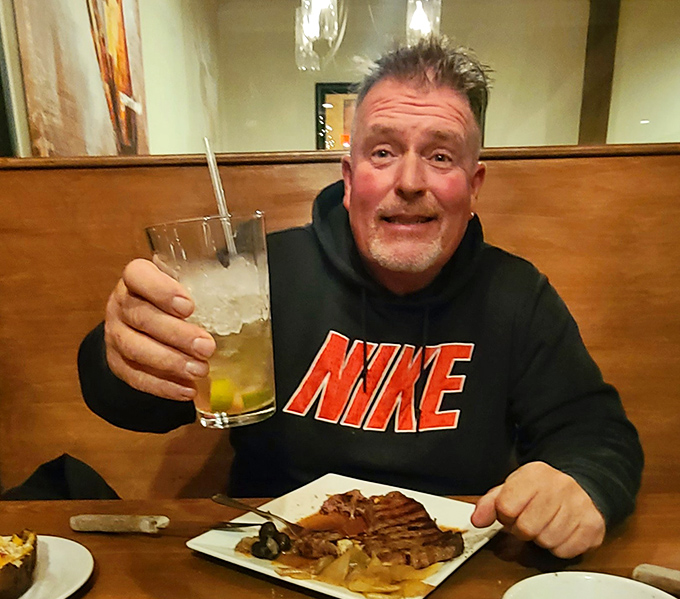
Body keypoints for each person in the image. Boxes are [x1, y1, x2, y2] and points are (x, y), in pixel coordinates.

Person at [78, 39, 643, 558]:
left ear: (474, 186)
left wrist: (583, 487)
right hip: (272, 568)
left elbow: (597, 435)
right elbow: (139, 406)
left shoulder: (518, 295)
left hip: (452, 573)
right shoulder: (256, 276)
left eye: (441, 156)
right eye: (382, 153)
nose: (411, 181)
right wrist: (122, 348)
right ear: (349, 180)